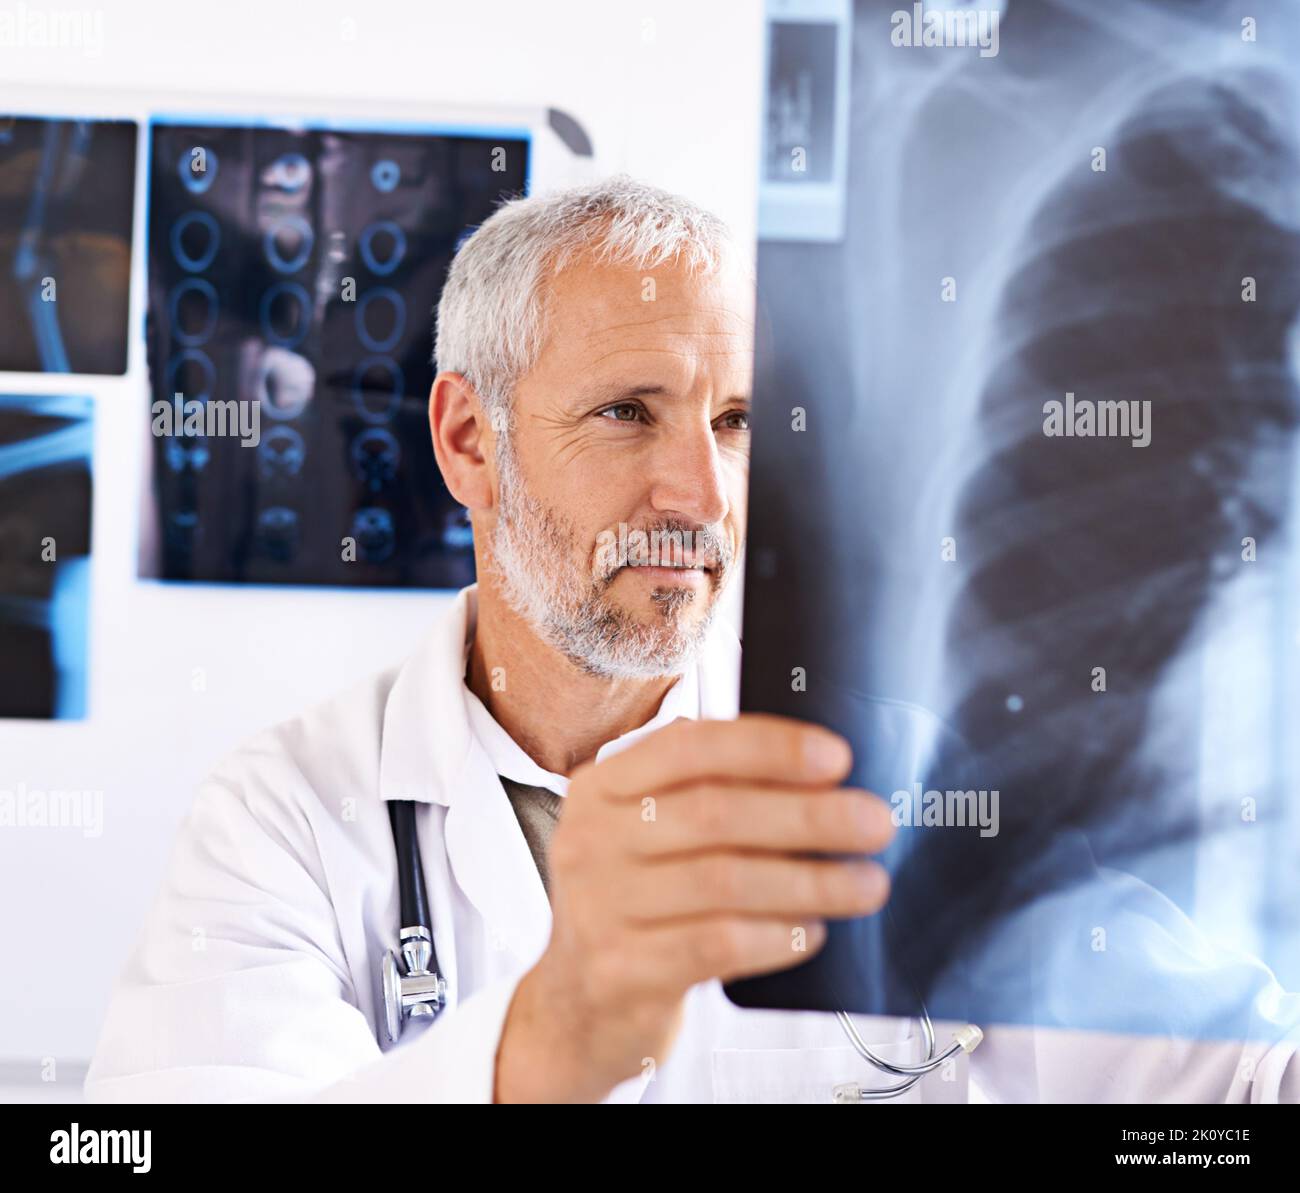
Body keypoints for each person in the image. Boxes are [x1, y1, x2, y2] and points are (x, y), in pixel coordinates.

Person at [85, 177, 1300, 1103]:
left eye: (731, 420)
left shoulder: (890, 782)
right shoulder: (285, 819)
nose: (701, 493)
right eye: (628, 412)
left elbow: (1226, 1072)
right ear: (468, 442)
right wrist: (548, 1039)